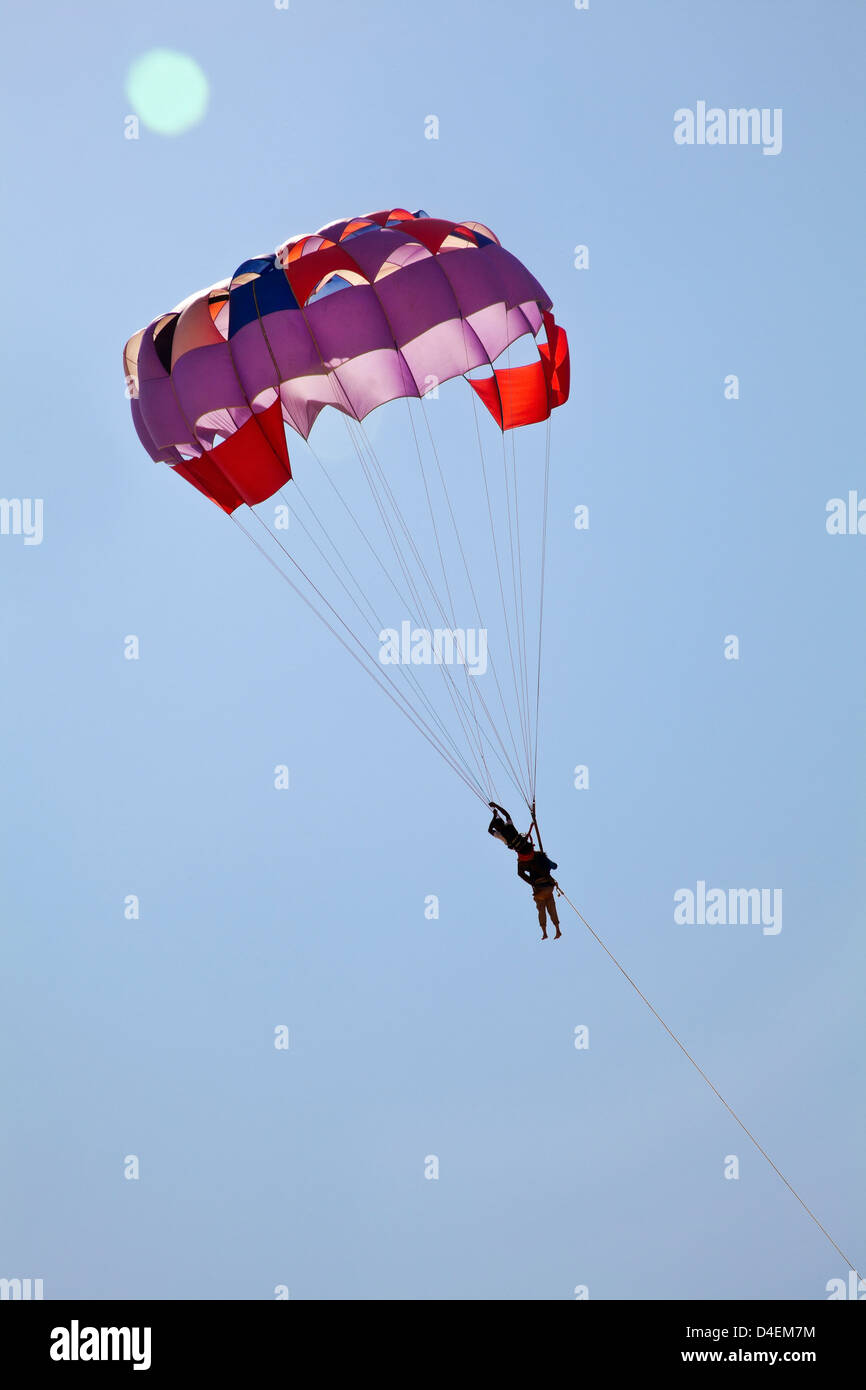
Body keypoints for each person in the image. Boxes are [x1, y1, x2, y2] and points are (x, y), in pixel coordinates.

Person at [517, 848, 562, 940]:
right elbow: (555, 866)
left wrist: (532, 882)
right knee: (551, 908)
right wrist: (548, 861)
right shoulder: (543, 859)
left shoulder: (530, 862)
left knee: (541, 910)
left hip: (540, 890)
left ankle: (545, 932)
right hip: (548, 889)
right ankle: (557, 929)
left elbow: (520, 873)